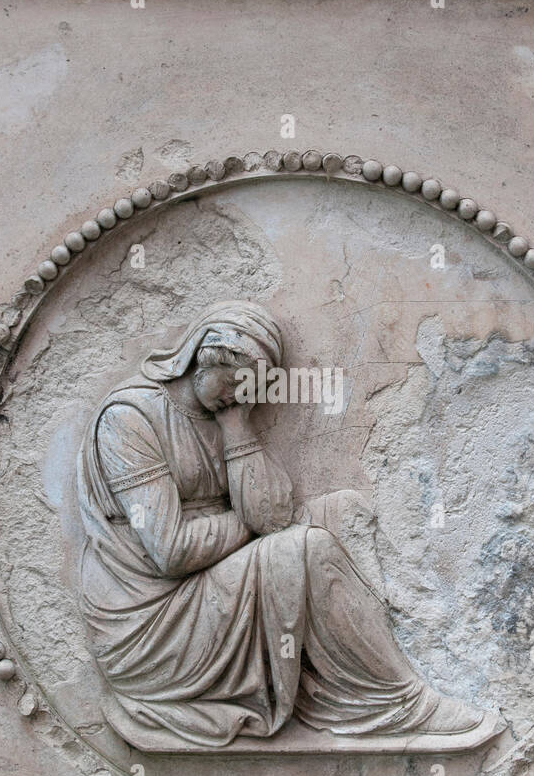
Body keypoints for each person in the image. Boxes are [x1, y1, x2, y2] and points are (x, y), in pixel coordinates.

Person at [77, 300, 500, 749]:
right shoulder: (129, 419)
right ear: (207, 354)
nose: (239, 395)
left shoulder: (225, 416)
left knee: (341, 510)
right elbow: (171, 549)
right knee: (305, 547)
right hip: (151, 618)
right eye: (237, 381)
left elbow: (271, 513)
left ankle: (372, 668)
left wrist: (237, 430)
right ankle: (401, 702)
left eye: (250, 389)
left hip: (207, 578)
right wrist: (252, 524)